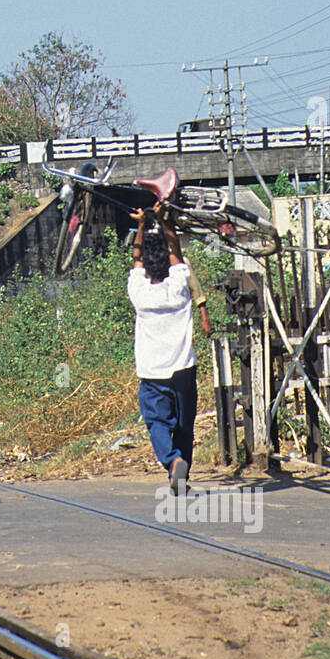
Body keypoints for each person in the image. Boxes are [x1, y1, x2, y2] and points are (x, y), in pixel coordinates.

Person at [127, 202, 198, 494]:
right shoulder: (179, 287)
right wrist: (166, 222)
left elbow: (137, 258)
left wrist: (143, 225)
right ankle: (180, 471)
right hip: (182, 368)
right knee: (184, 424)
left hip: (152, 372)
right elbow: (176, 253)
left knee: (156, 422)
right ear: (168, 266)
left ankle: (172, 461)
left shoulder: (140, 293)